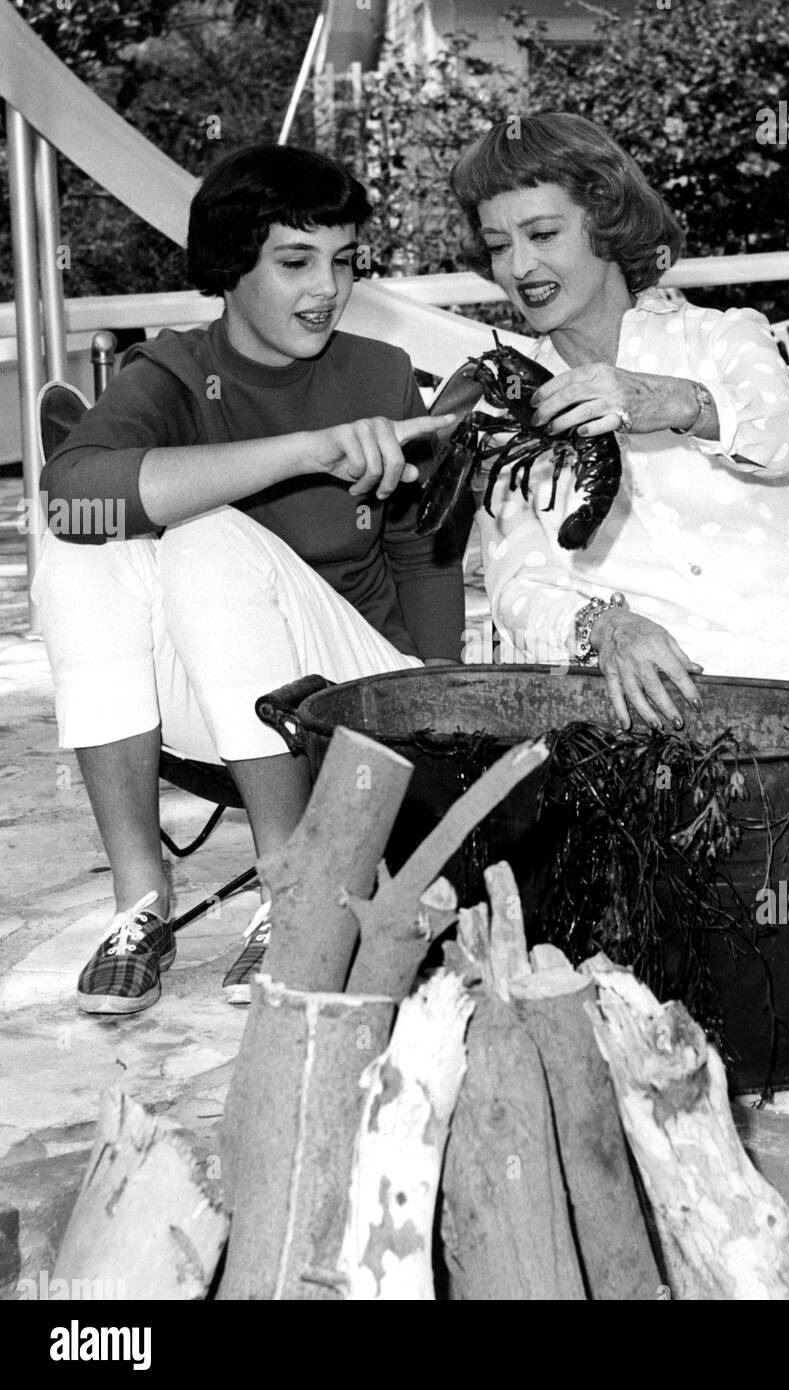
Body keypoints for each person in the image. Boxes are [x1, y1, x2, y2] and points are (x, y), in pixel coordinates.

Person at [34, 143, 463, 1016]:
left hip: (360, 685)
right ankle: (140, 904)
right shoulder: (175, 371)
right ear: (232, 268)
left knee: (204, 541)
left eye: (343, 262)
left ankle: (290, 885)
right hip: (224, 698)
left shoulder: (377, 374)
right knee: (80, 540)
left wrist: (441, 704)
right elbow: (70, 496)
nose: (327, 290)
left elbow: (425, 547)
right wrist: (300, 453)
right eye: (295, 262)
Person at [449, 113, 789, 756]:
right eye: (499, 245)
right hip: (671, 696)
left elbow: (785, 441)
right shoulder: (511, 405)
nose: (520, 266)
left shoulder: (722, 336)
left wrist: (674, 400)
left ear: (606, 222)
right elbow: (518, 588)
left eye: (542, 233)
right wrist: (605, 624)